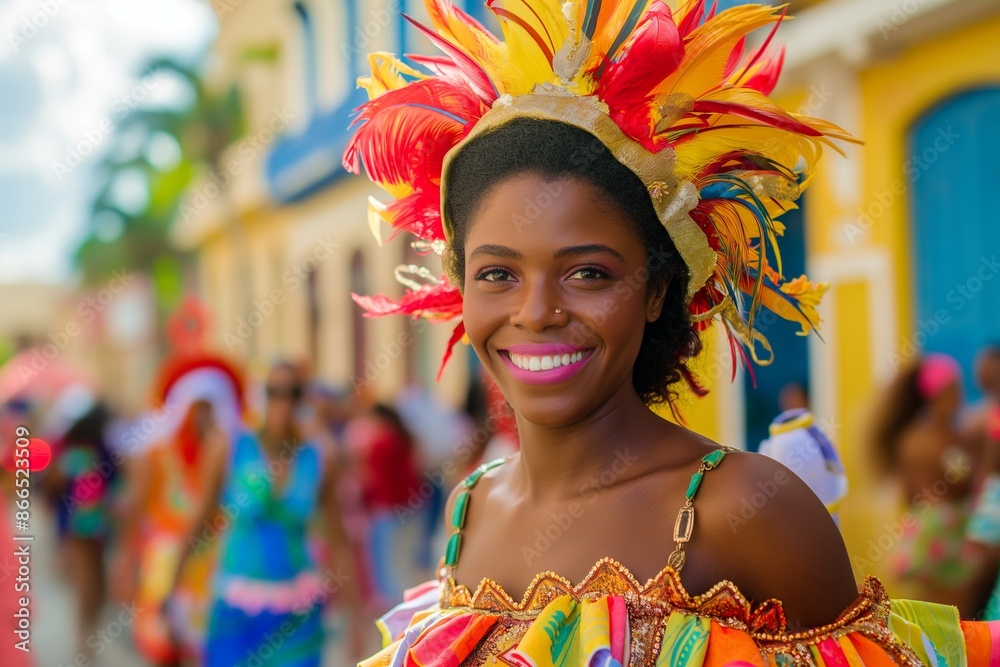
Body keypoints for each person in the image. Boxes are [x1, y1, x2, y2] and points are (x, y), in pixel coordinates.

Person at [343, 0, 1000, 662]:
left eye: (588, 273)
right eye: (497, 274)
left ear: (656, 290)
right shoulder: (468, 508)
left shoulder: (746, 510)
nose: (536, 311)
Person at [173, 360, 364, 666]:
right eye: (274, 392)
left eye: (293, 392)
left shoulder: (319, 458)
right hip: (235, 611)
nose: (283, 402)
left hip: (298, 615)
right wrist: (172, 592)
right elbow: (199, 523)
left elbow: (339, 541)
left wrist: (356, 620)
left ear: (303, 398)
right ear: (260, 396)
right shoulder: (228, 449)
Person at [125, 353, 246, 666]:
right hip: (164, 564)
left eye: (210, 409)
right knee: (164, 647)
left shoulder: (234, 456)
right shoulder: (158, 454)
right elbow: (137, 510)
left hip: (216, 568)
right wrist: (128, 562)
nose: (202, 418)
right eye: (196, 408)